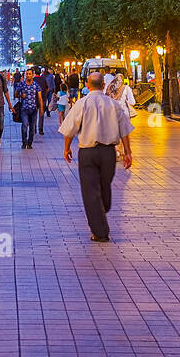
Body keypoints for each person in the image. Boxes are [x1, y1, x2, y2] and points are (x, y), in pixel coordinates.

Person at [60, 71, 134, 242]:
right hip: (108, 152)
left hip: (87, 152)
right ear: (103, 85)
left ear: (87, 85)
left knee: (91, 191)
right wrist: (128, 152)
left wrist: (67, 148)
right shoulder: (113, 104)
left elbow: (70, 128)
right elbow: (125, 131)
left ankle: (99, 222)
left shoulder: (81, 103)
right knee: (104, 185)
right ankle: (101, 228)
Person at [17, 68, 41, 149]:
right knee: (24, 125)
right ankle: (24, 142)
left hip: (33, 109)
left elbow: (40, 98)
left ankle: (30, 143)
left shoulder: (36, 85)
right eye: (26, 74)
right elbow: (16, 93)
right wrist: (20, 95)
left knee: (32, 127)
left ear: (33, 75)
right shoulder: (21, 84)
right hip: (24, 109)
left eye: (29, 74)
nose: (28, 75)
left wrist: (41, 109)